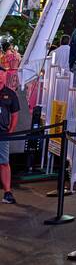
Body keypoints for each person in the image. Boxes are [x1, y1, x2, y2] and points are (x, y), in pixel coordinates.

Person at [0, 64, 20, 204]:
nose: (1, 76)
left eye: (2, 74)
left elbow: (15, 114)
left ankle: (7, 192)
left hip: (3, 133)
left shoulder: (11, 94)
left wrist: (11, 131)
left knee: (4, 162)